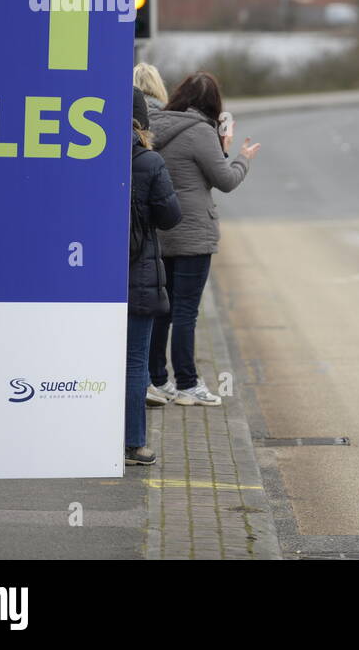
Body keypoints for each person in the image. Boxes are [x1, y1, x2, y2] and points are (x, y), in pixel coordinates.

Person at [147, 72, 260, 406]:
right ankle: (187, 385)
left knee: (161, 311)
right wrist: (242, 158)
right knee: (186, 312)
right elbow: (224, 181)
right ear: (213, 104)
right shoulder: (200, 131)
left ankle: (157, 380)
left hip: (159, 229)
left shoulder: (153, 125)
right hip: (194, 233)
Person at [127, 89, 182, 465]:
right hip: (138, 275)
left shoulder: (80, 153)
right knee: (134, 361)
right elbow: (171, 216)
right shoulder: (148, 161)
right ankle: (133, 444)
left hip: (84, 276)